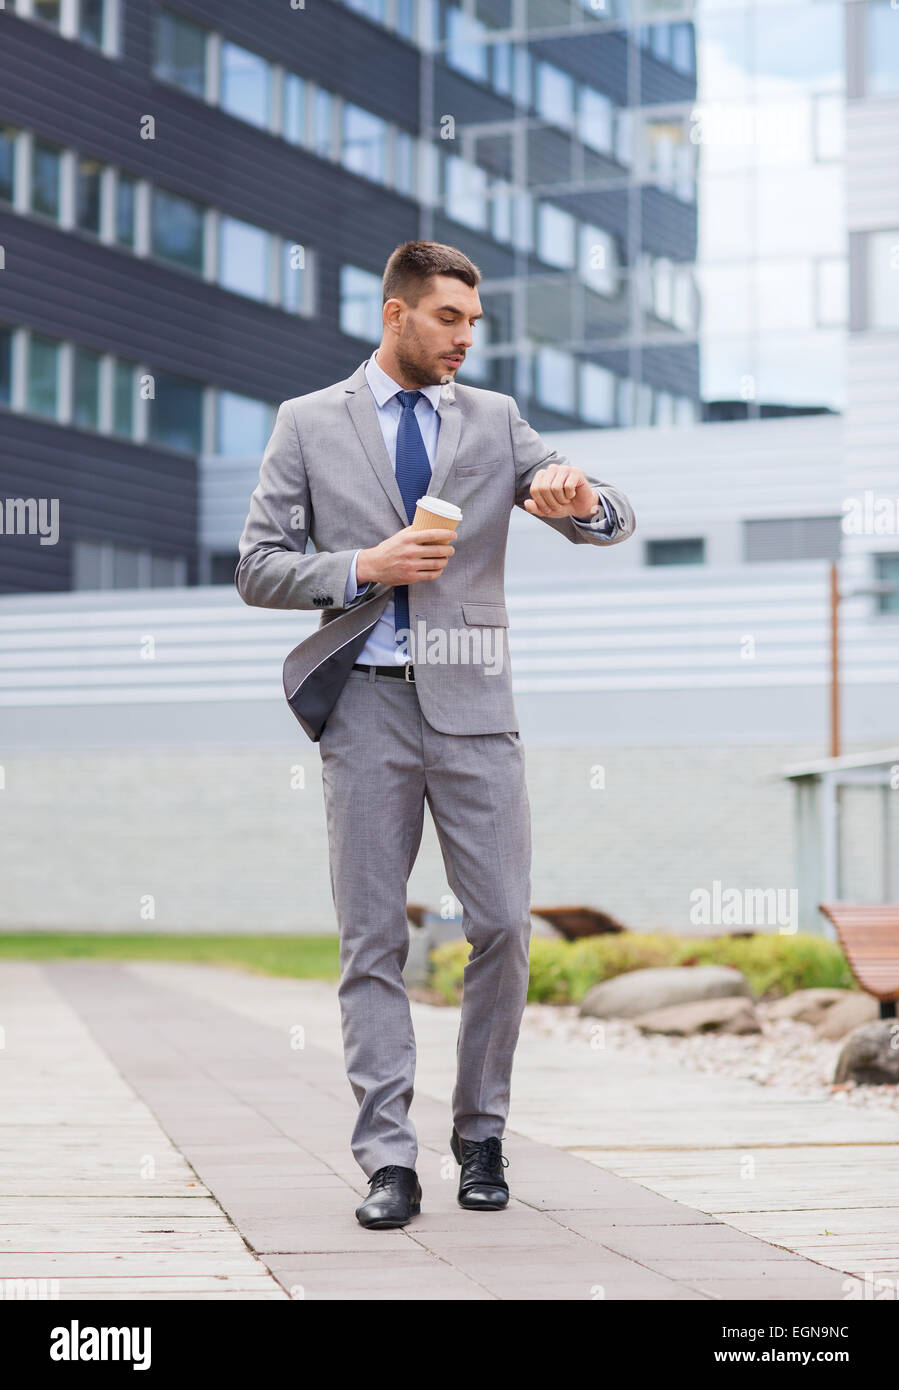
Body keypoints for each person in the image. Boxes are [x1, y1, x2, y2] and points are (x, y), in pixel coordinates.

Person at [236, 240, 636, 1230]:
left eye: (473, 322)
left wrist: (577, 499)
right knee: (371, 939)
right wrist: (363, 563)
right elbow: (256, 565)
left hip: (474, 711)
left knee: (500, 923)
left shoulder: (494, 421)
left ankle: (480, 1133)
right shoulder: (305, 424)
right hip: (364, 708)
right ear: (395, 314)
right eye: (448, 319)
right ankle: (387, 1158)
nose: (465, 337)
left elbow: (606, 514)